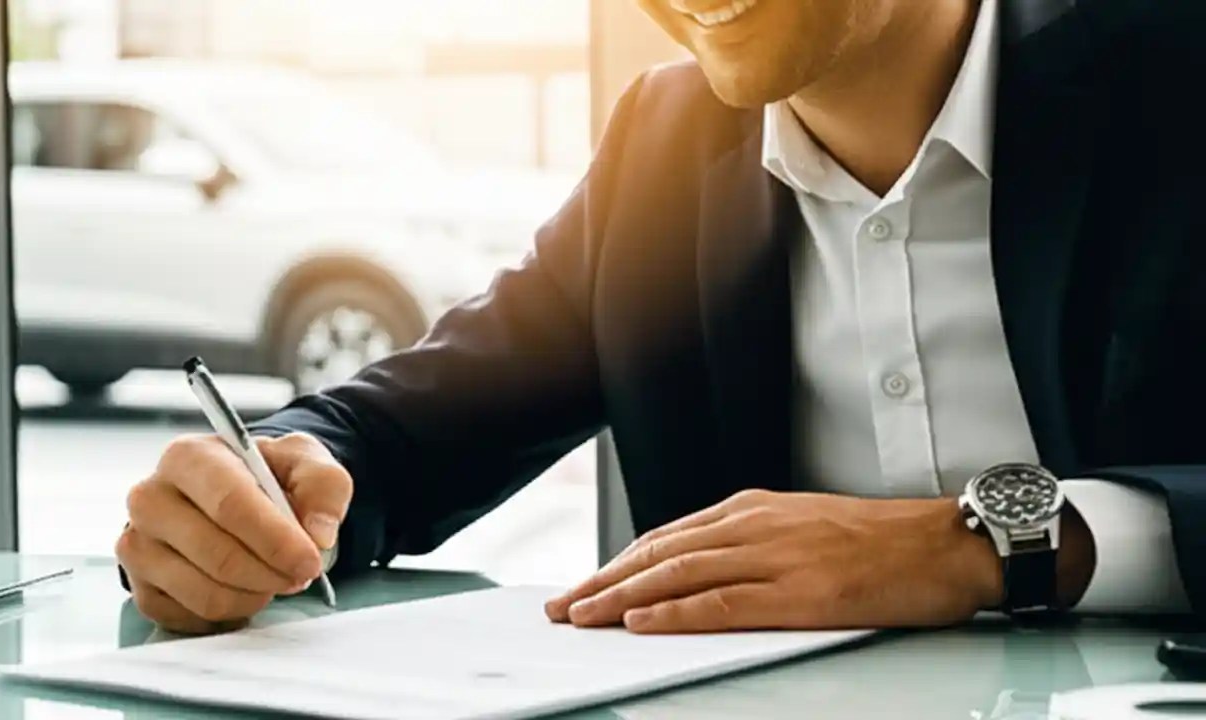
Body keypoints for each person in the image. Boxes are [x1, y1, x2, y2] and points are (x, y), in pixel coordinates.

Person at [117, 0, 1206, 636]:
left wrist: (982, 546)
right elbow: (401, 433)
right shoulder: (665, 144)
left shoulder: (1170, 68)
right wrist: (256, 494)